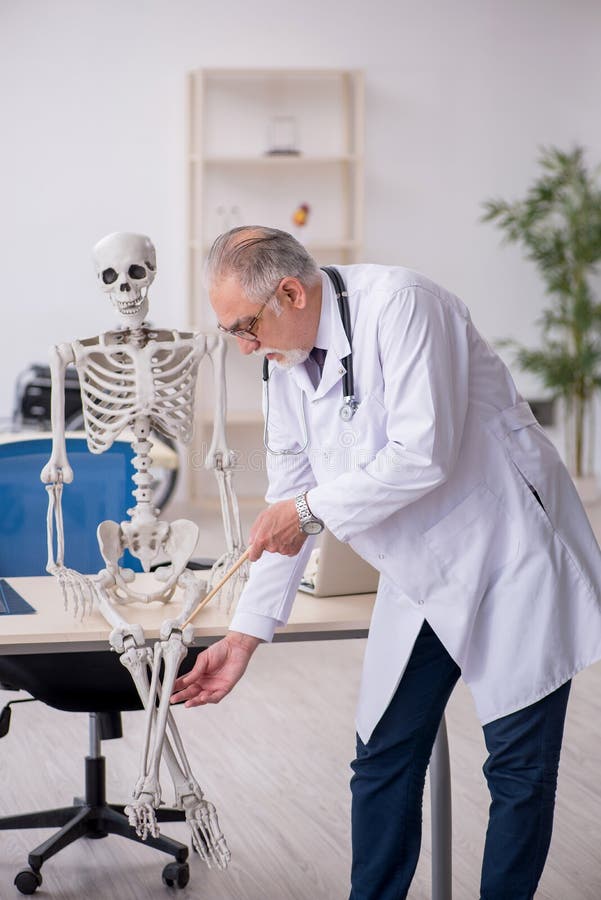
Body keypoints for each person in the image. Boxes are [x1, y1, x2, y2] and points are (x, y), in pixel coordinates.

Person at [170, 225, 601, 899]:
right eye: (233, 333)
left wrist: (306, 511)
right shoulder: (280, 367)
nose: (245, 345)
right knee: (382, 757)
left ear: (289, 291)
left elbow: (419, 453)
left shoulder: (402, 304)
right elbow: (287, 503)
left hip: (510, 551)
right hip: (420, 566)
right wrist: (243, 637)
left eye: (246, 327)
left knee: (517, 772)